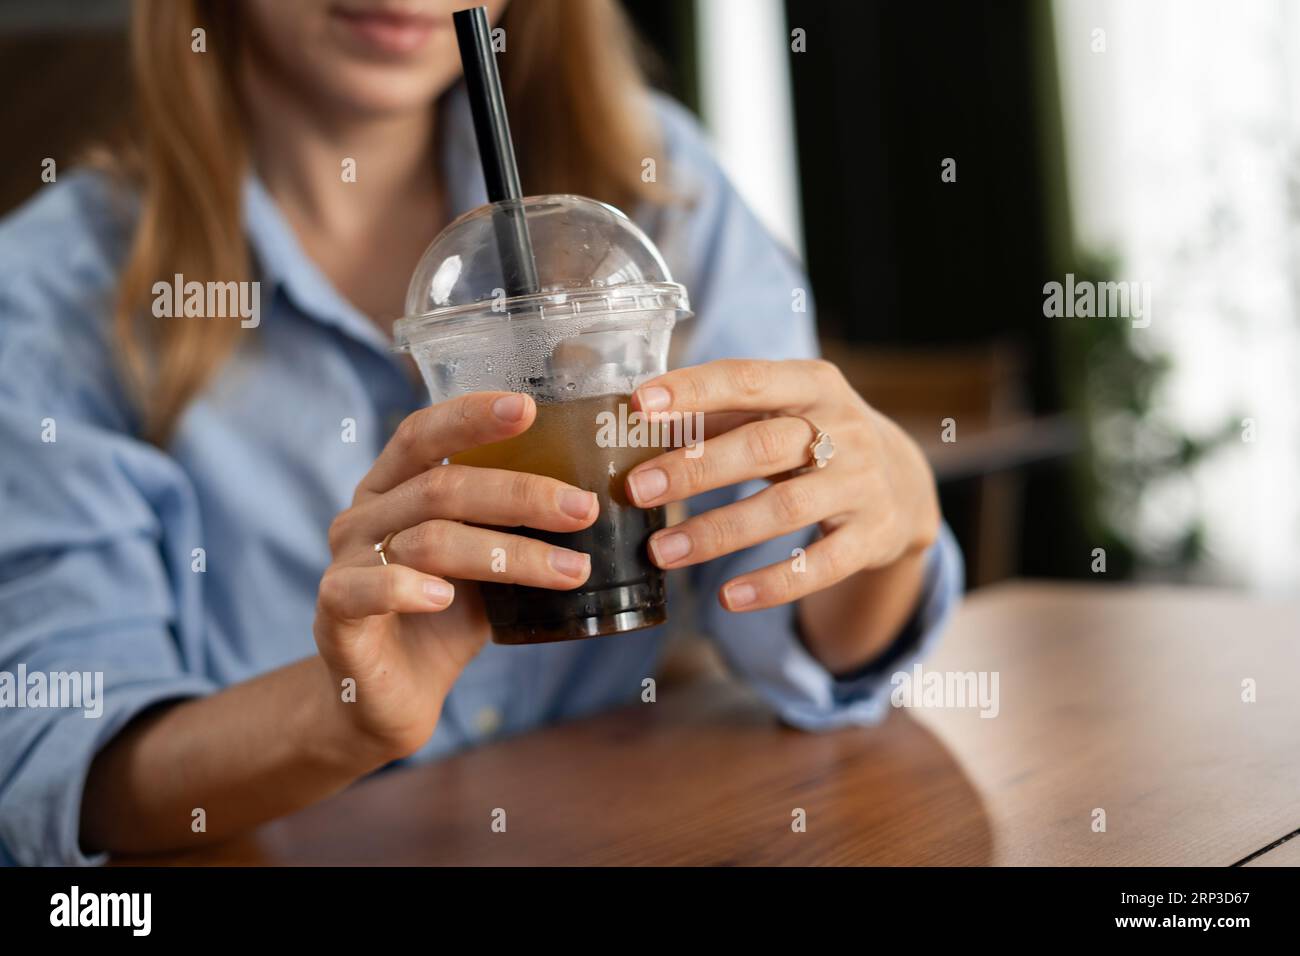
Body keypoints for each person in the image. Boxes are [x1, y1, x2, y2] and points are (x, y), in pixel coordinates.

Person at [0, 0, 962, 865]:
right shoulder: (55, 292)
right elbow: (65, 763)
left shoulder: (656, 187)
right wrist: (344, 713)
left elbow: (796, 624)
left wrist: (888, 531)